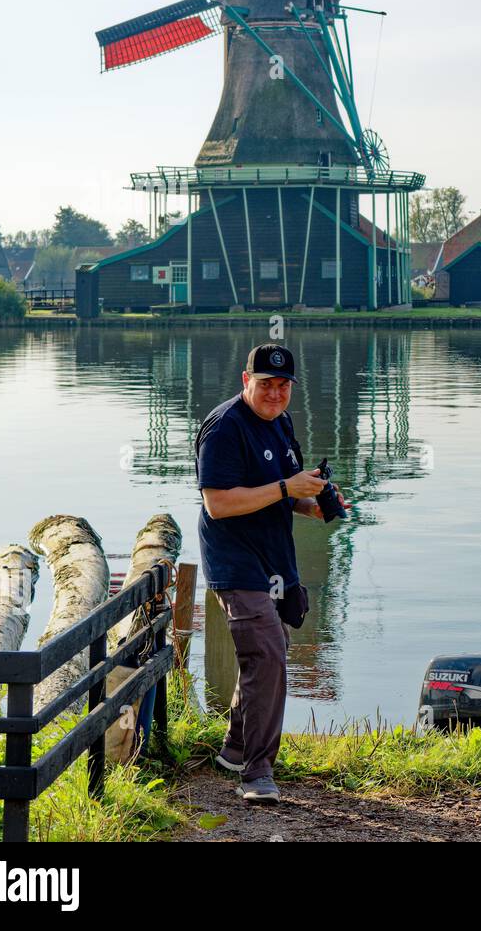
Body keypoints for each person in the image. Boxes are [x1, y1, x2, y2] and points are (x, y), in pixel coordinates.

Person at [195, 342, 350, 803]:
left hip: (272, 559)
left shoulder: (281, 422)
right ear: (247, 382)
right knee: (268, 654)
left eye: (284, 386)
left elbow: (283, 495)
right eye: (266, 384)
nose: (275, 394)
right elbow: (218, 503)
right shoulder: (223, 429)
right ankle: (257, 772)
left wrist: (314, 506)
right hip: (233, 559)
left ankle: (236, 748)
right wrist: (287, 486)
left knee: (272, 648)